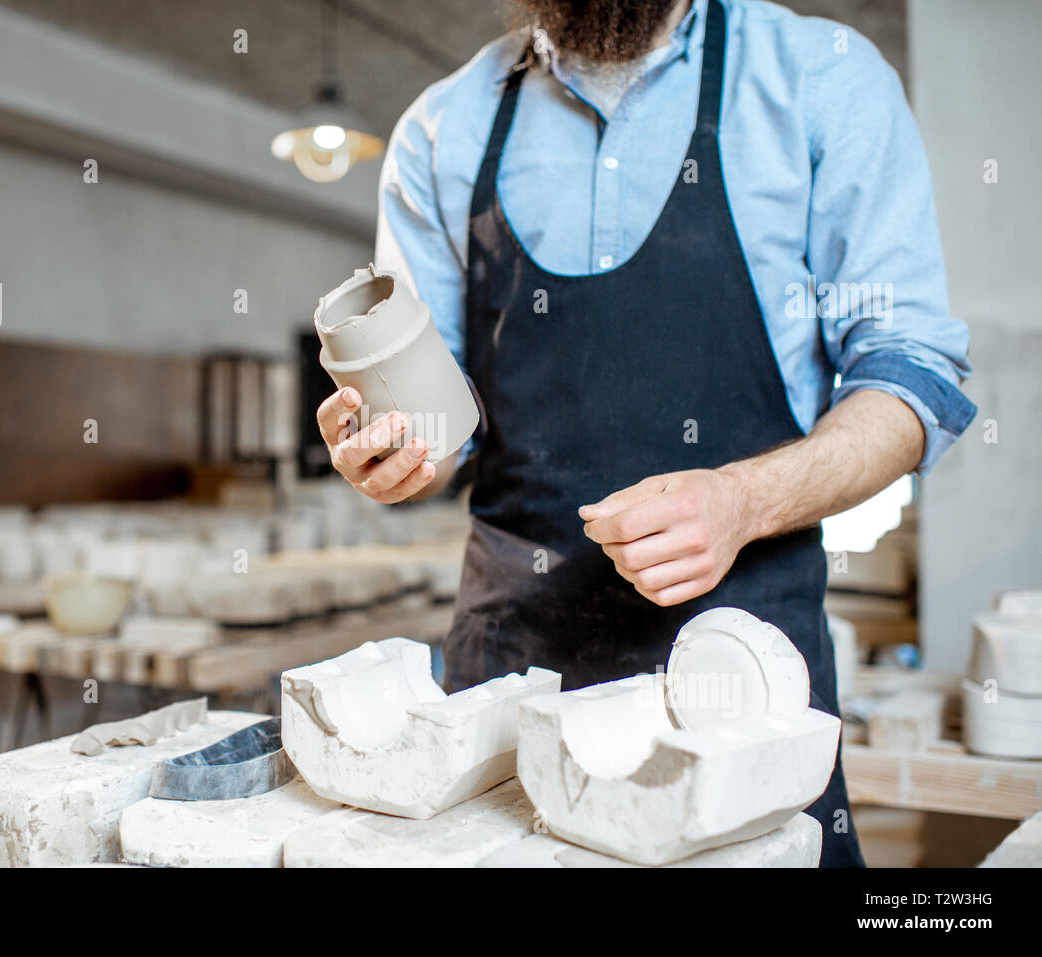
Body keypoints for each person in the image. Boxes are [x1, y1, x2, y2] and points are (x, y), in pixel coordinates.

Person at [313, 0, 974, 868]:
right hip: (510, 681)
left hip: (740, 676)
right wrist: (397, 450)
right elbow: (444, 426)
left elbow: (910, 379)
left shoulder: (820, 81)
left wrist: (744, 498)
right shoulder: (443, 126)